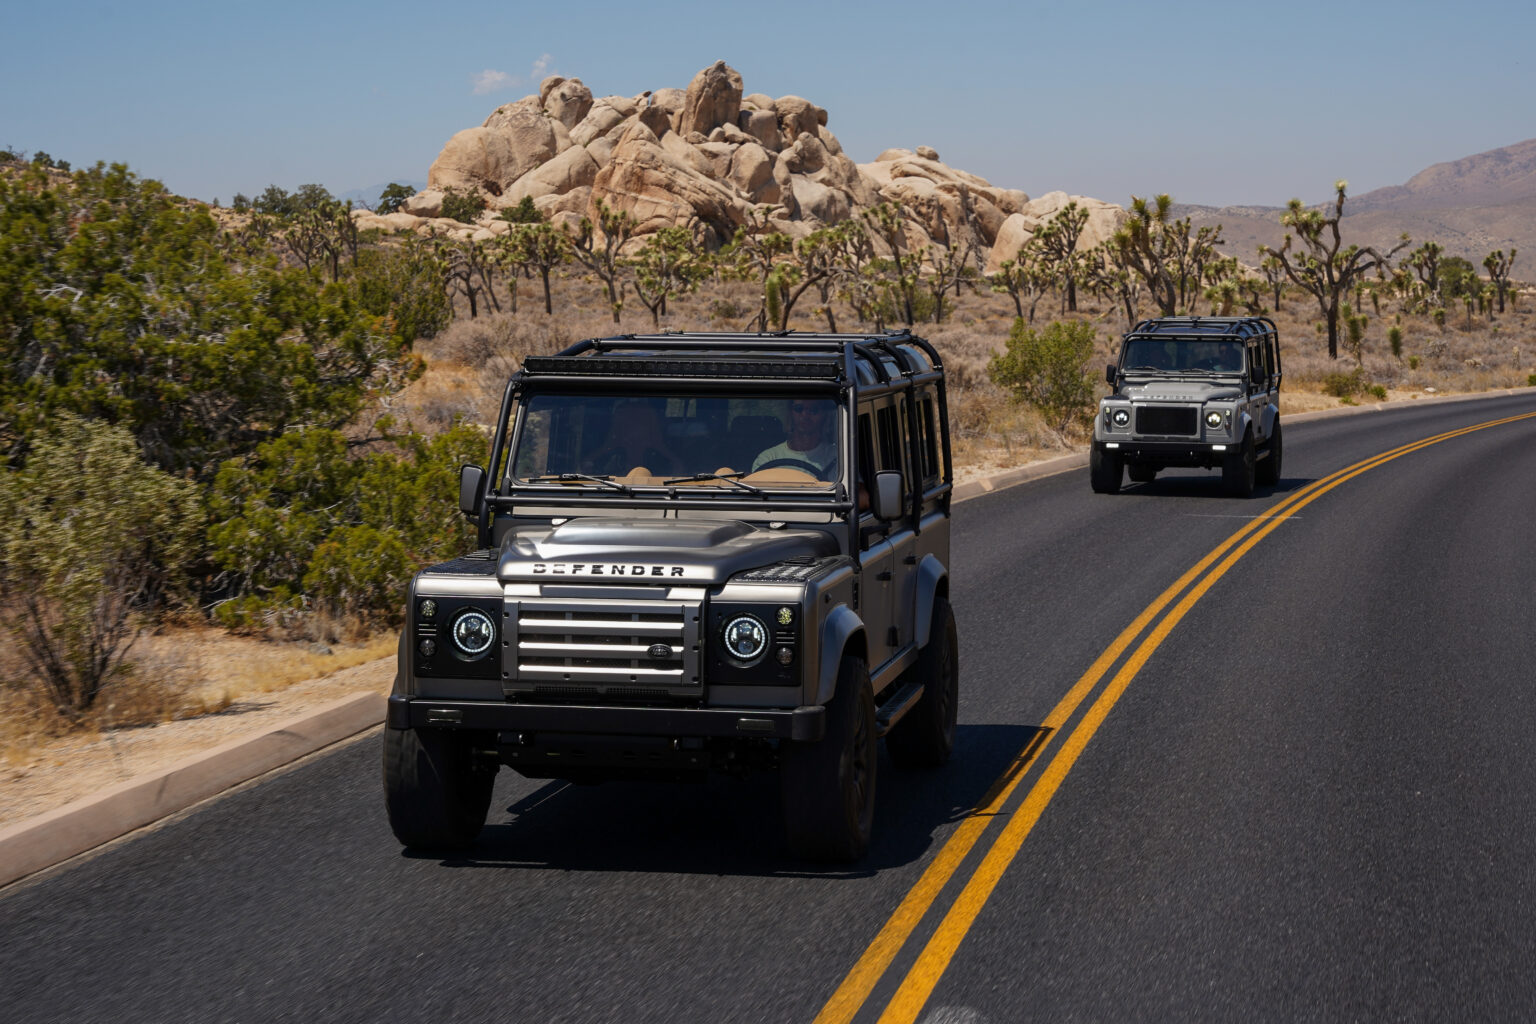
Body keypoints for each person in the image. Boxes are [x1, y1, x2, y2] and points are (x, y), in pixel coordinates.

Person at [588, 398, 678, 476]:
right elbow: (583, 471)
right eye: (625, 423)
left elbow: (678, 476)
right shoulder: (607, 457)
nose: (632, 428)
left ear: (652, 428)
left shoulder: (665, 461)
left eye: (639, 422)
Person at [752, 400, 837, 477]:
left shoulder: (837, 458)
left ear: (824, 415)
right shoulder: (768, 458)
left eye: (814, 410)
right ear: (790, 413)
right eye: (799, 409)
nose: (805, 415)